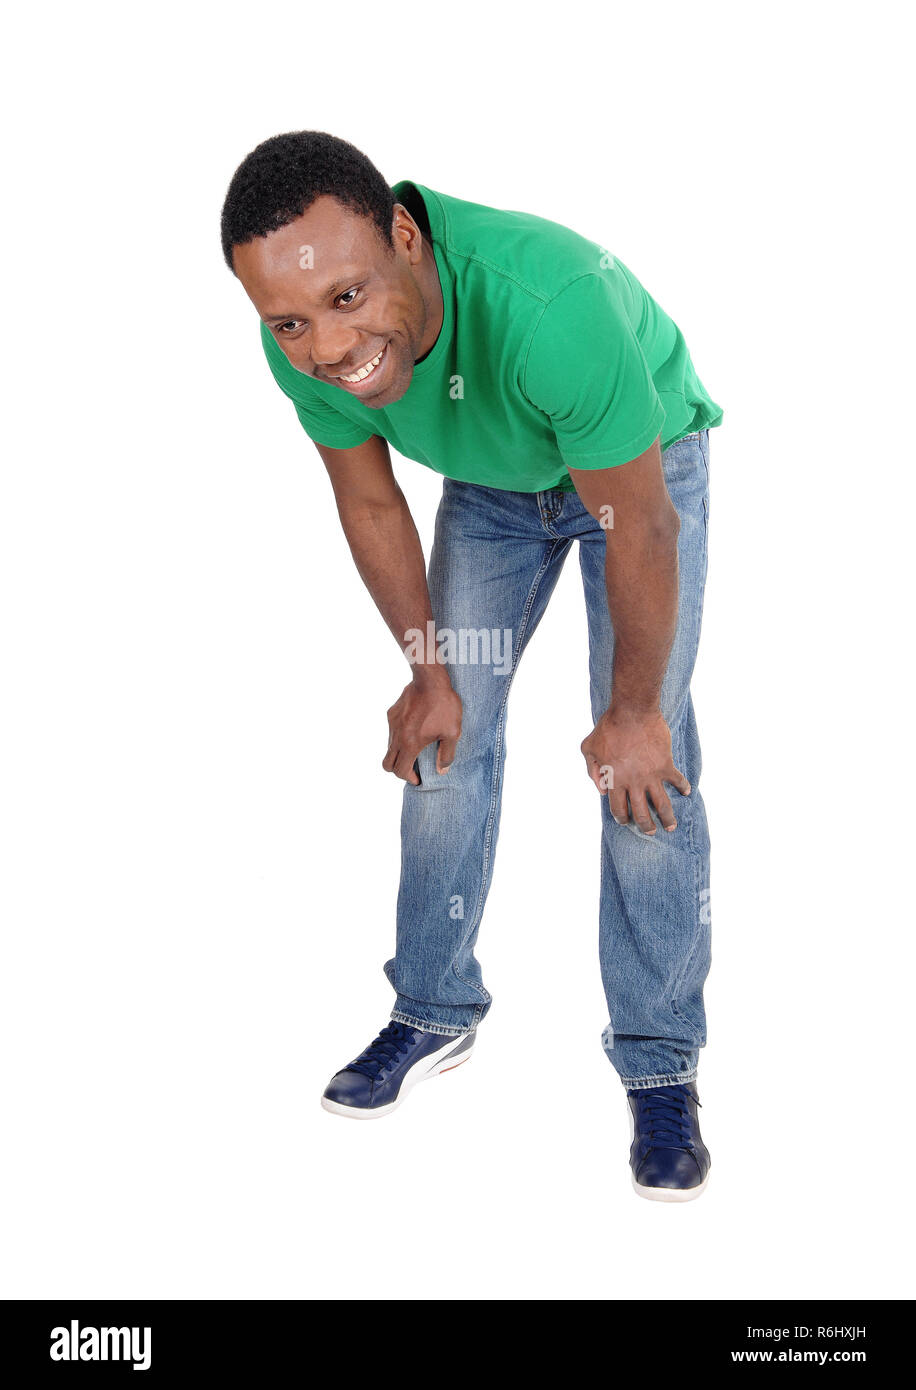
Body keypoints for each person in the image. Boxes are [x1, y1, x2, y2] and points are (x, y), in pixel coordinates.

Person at [221, 131, 721, 1201]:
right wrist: (427, 669)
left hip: (628, 476)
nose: (329, 346)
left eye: (350, 294)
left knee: (641, 770)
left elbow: (636, 522)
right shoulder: (297, 345)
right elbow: (366, 497)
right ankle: (433, 1005)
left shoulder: (550, 304)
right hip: (493, 496)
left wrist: (634, 710)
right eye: (294, 321)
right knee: (446, 741)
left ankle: (659, 1061)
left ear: (403, 236)